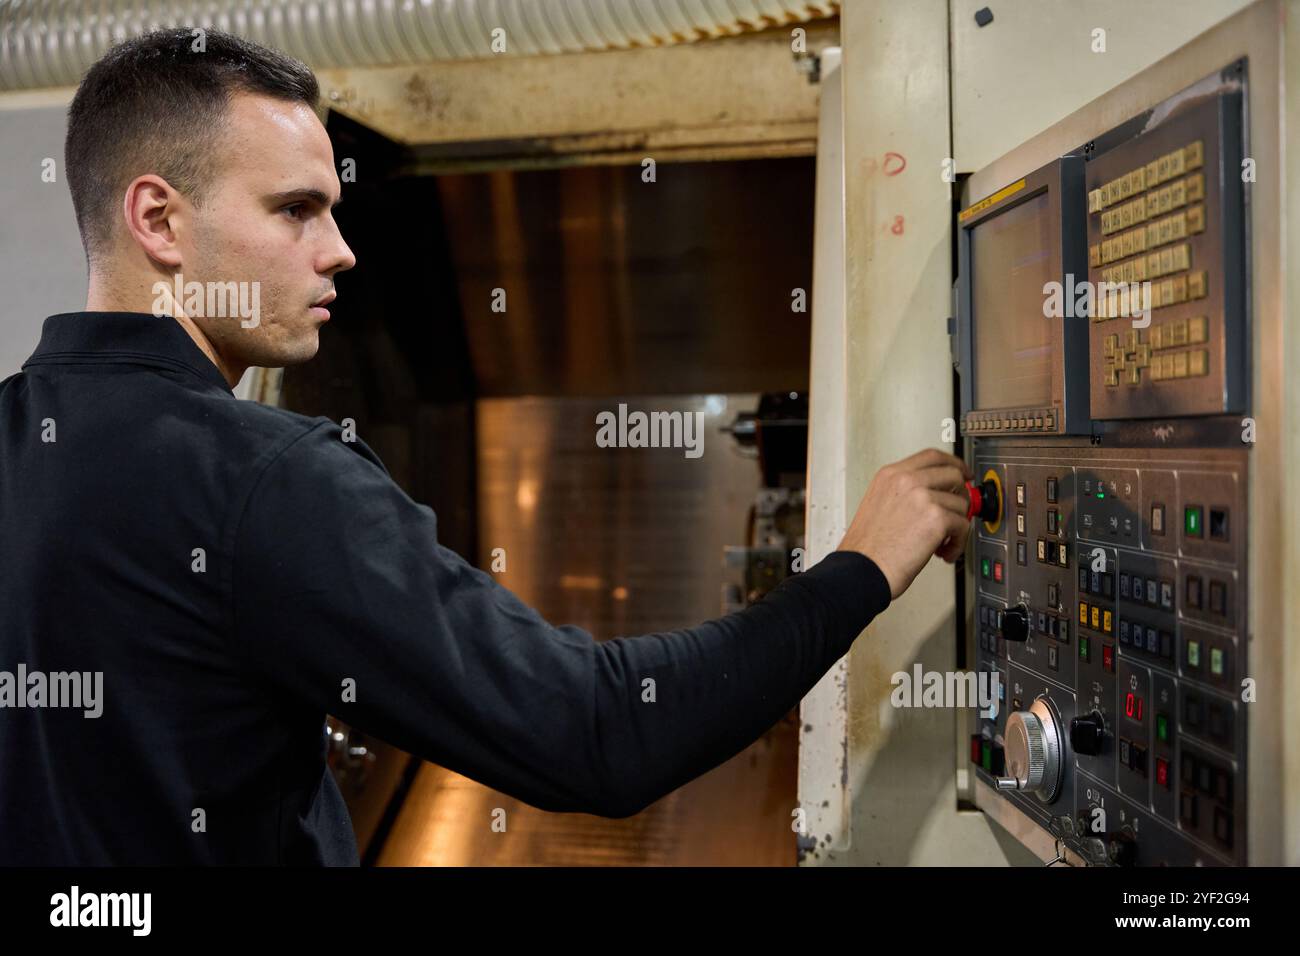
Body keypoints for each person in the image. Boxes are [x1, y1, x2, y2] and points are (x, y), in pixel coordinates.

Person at [0, 28, 973, 864]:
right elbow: (600, 731)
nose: (338, 248)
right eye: (295, 209)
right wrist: (858, 566)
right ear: (158, 219)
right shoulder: (265, 479)